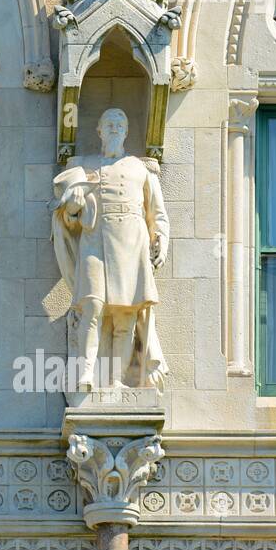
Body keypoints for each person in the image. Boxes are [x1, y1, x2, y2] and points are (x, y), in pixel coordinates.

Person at [51, 108, 169, 392]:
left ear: (127, 132)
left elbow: (158, 214)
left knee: (125, 315)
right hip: (95, 242)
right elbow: (68, 217)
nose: (115, 128)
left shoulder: (142, 169)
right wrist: (73, 206)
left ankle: (116, 380)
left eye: (120, 124)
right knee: (92, 306)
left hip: (132, 245)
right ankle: (86, 373)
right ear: (100, 131)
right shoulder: (85, 168)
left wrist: (161, 240)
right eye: (109, 124)